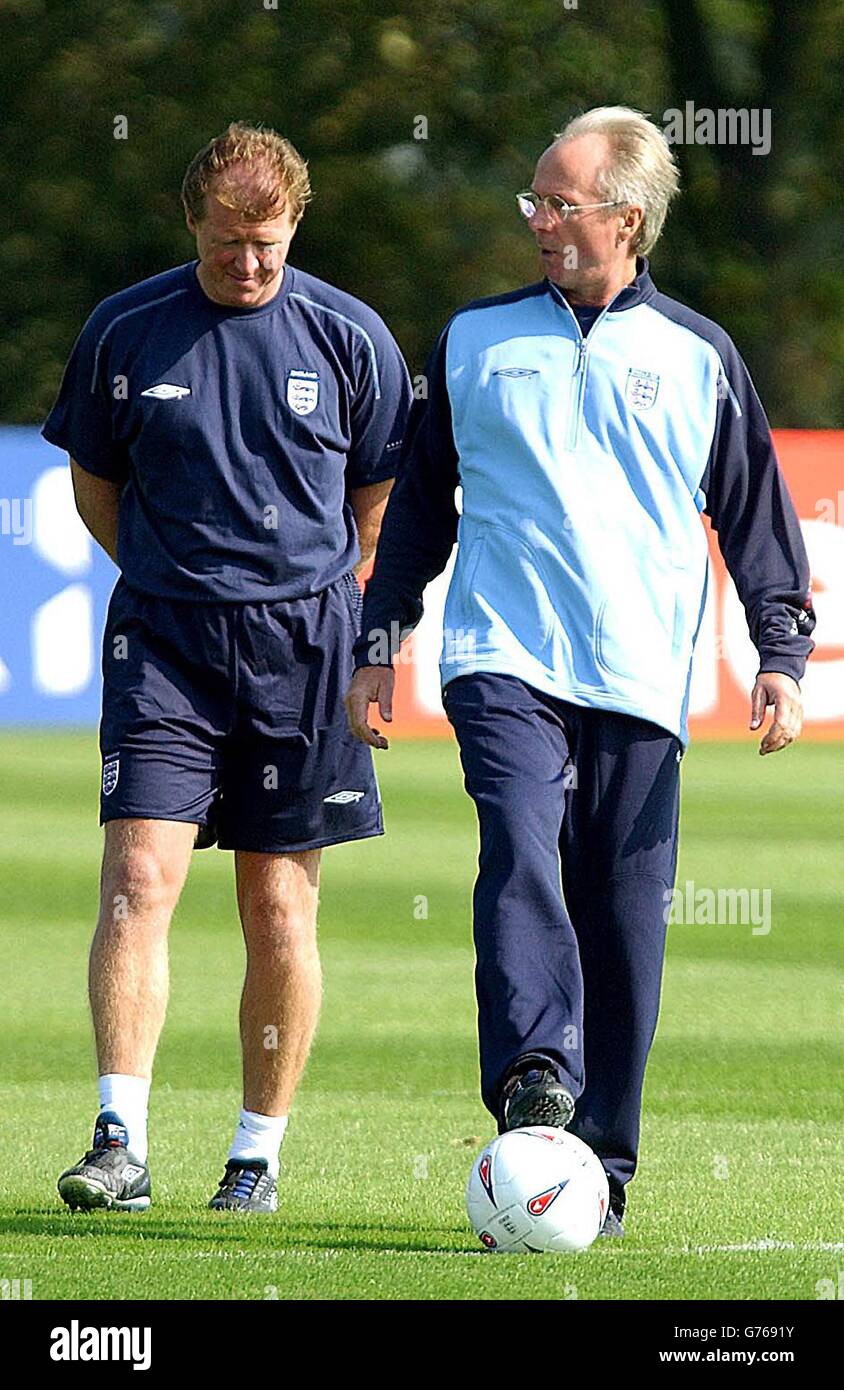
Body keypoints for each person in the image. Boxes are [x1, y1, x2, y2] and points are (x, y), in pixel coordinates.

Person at [345, 106, 815, 1236]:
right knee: (516, 837)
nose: (539, 220)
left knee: (624, 916)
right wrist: (379, 639)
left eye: (559, 202)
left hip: (643, 678)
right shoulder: (471, 339)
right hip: (500, 656)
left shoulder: (699, 354)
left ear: (629, 218)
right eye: (535, 200)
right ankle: (532, 1076)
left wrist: (781, 652)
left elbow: (754, 515)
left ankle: (599, 1159)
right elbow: (417, 514)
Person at [42, 122, 411, 1214]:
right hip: (163, 642)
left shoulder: (349, 335)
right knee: (137, 880)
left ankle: (254, 1156)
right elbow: (94, 486)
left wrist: (347, 626)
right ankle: (120, 1140)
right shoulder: (126, 329)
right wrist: (175, 575)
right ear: (191, 222)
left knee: (278, 908)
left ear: (296, 222)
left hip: (304, 650)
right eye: (226, 244)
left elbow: (380, 503)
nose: (248, 264)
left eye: (268, 242)